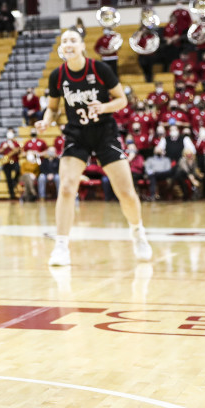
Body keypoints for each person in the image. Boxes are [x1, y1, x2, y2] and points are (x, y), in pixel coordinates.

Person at [36, 28, 152, 267]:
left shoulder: (99, 69)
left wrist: (104, 107)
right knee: (67, 187)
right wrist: (46, 120)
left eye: (73, 40)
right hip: (76, 134)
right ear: (62, 48)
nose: (68, 44)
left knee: (127, 193)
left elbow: (121, 100)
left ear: (81, 46)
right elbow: (53, 107)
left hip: (104, 133)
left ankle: (138, 233)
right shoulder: (57, 75)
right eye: (65, 41)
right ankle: (61, 246)